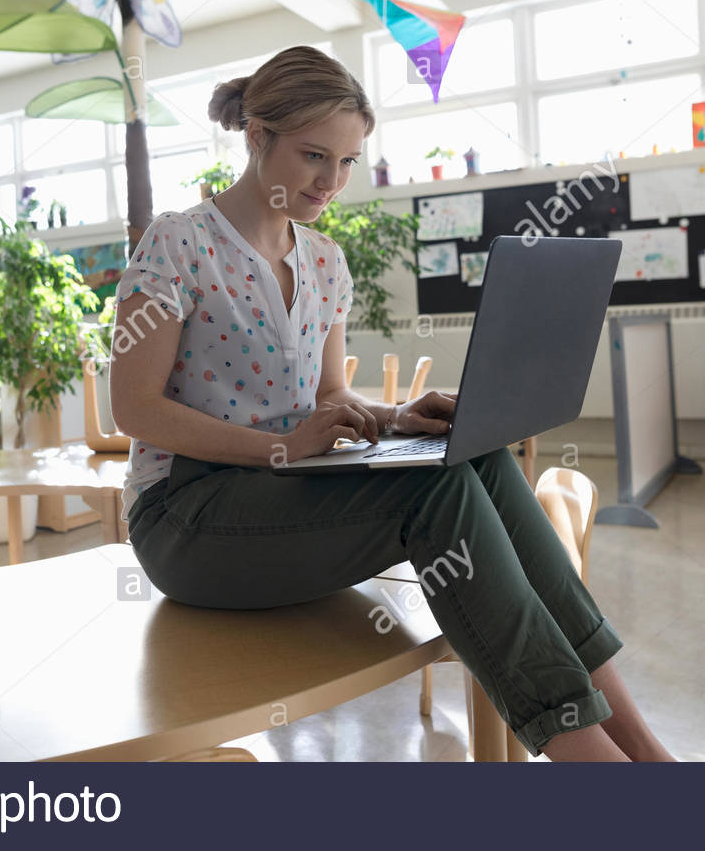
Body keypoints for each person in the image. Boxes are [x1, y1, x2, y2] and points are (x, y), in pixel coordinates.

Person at [109, 45, 675, 762]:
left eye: (347, 162)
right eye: (316, 156)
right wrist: (284, 447)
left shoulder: (323, 262)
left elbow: (330, 398)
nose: (332, 181)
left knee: (477, 458)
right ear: (257, 137)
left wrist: (396, 417)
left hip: (283, 495)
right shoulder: (178, 245)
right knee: (433, 498)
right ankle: (595, 767)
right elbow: (136, 411)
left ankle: (648, 756)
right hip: (187, 518)